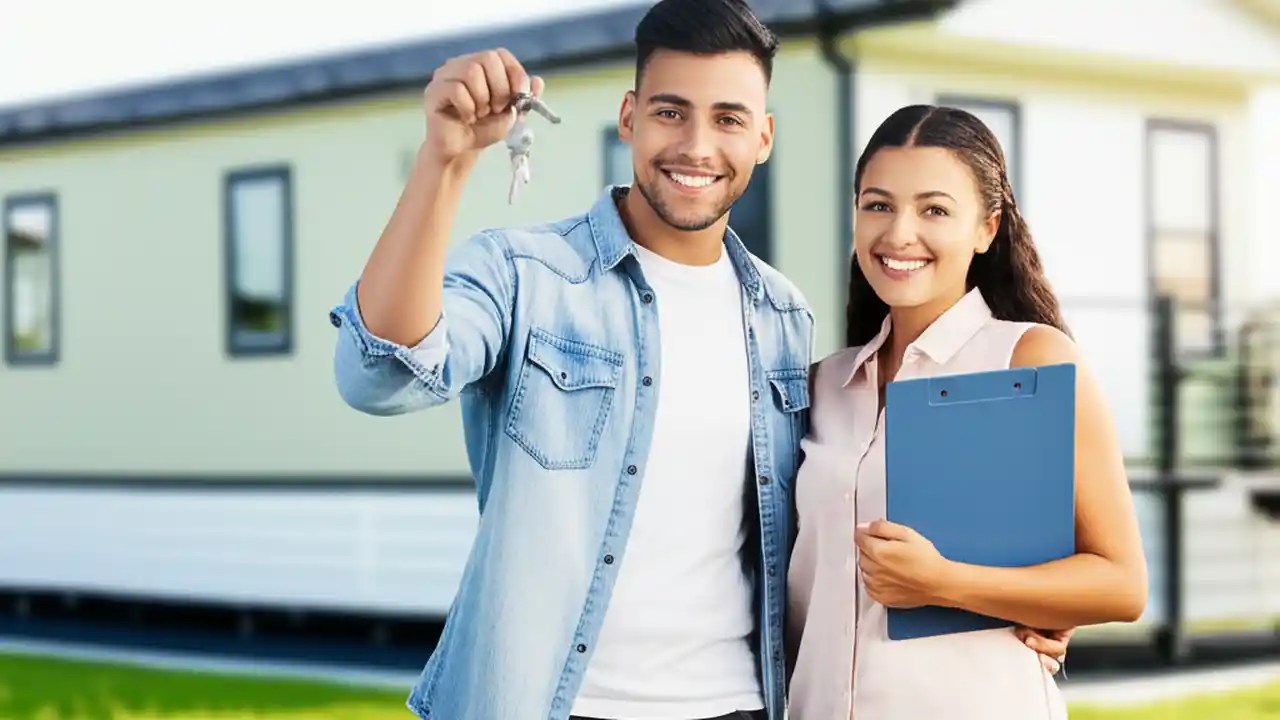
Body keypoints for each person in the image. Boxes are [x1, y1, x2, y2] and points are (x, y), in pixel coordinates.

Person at [329, 0, 1069, 716]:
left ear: (764, 139)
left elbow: (826, 522)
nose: (697, 146)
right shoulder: (528, 275)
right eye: (671, 111)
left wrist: (1009, 598)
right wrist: (446, 162)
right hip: (547, 704)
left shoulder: (782, 317)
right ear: (629, 117)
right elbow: (382, 373)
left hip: (734, 706)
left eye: (728, 120)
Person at [785, 104, 1149, 719]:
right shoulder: (823, 385)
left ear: (986, 228)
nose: (900, 233)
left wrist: (943, 583)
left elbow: (1120, 582)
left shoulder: (1028, 359)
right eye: (878, 205)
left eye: (934, 210)